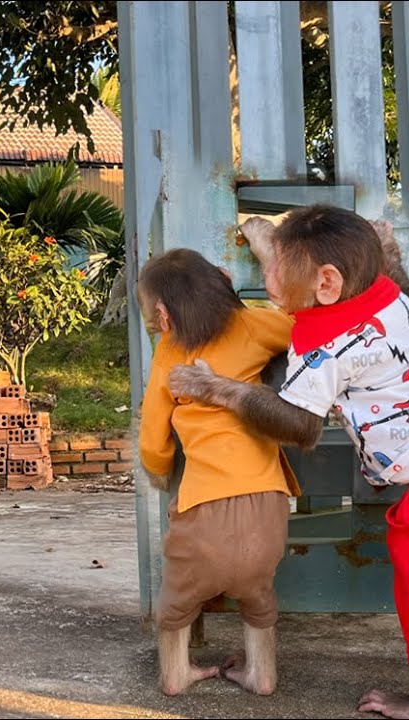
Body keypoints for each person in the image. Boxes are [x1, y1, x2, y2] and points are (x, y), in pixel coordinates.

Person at [168, 206, 409, 718]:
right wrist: (388, 258)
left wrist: (217, 389)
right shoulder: (394, 300)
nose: (267, 278)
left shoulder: (322, 345)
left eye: (275, 268)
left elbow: (300, 424)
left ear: (326, 283)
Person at [136, 248, 301, 696]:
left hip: (202, 507)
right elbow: (297, 327)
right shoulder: (251, 325)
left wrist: (159, 472)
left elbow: (153, 437)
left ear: (164, 316)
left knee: (177, 602)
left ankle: (176, 673)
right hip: (268, 501)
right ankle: (261, 674)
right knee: (259, 595)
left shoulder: (170, 353)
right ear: (220, 282)